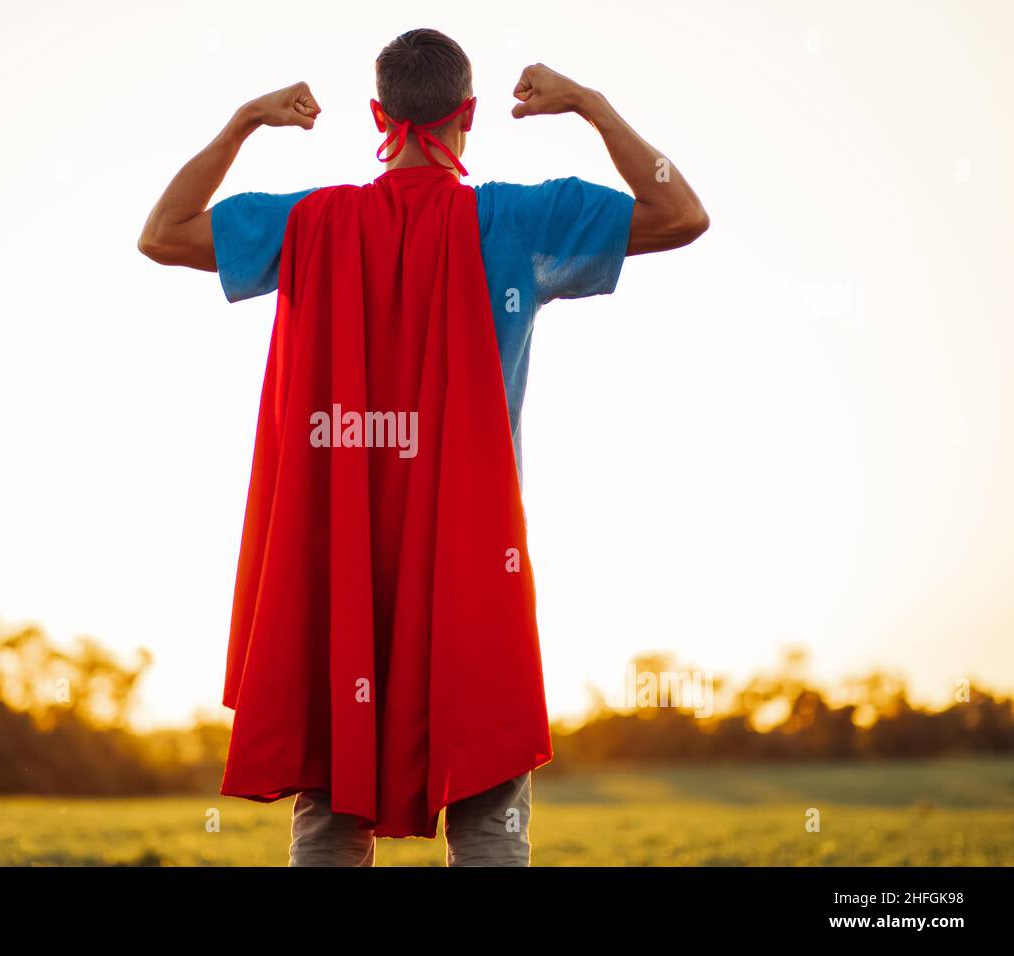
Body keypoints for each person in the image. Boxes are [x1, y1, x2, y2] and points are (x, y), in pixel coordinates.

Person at [139, 28, 708, 867]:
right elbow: (681, 212)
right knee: (489, 818)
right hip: (470, 562)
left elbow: (163, 231)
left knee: (329, 820)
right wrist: (591, 105)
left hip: (339, 563)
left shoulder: (309, 222)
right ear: (469, 113)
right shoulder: (516, 220)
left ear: (378, 113)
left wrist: (243, 124)